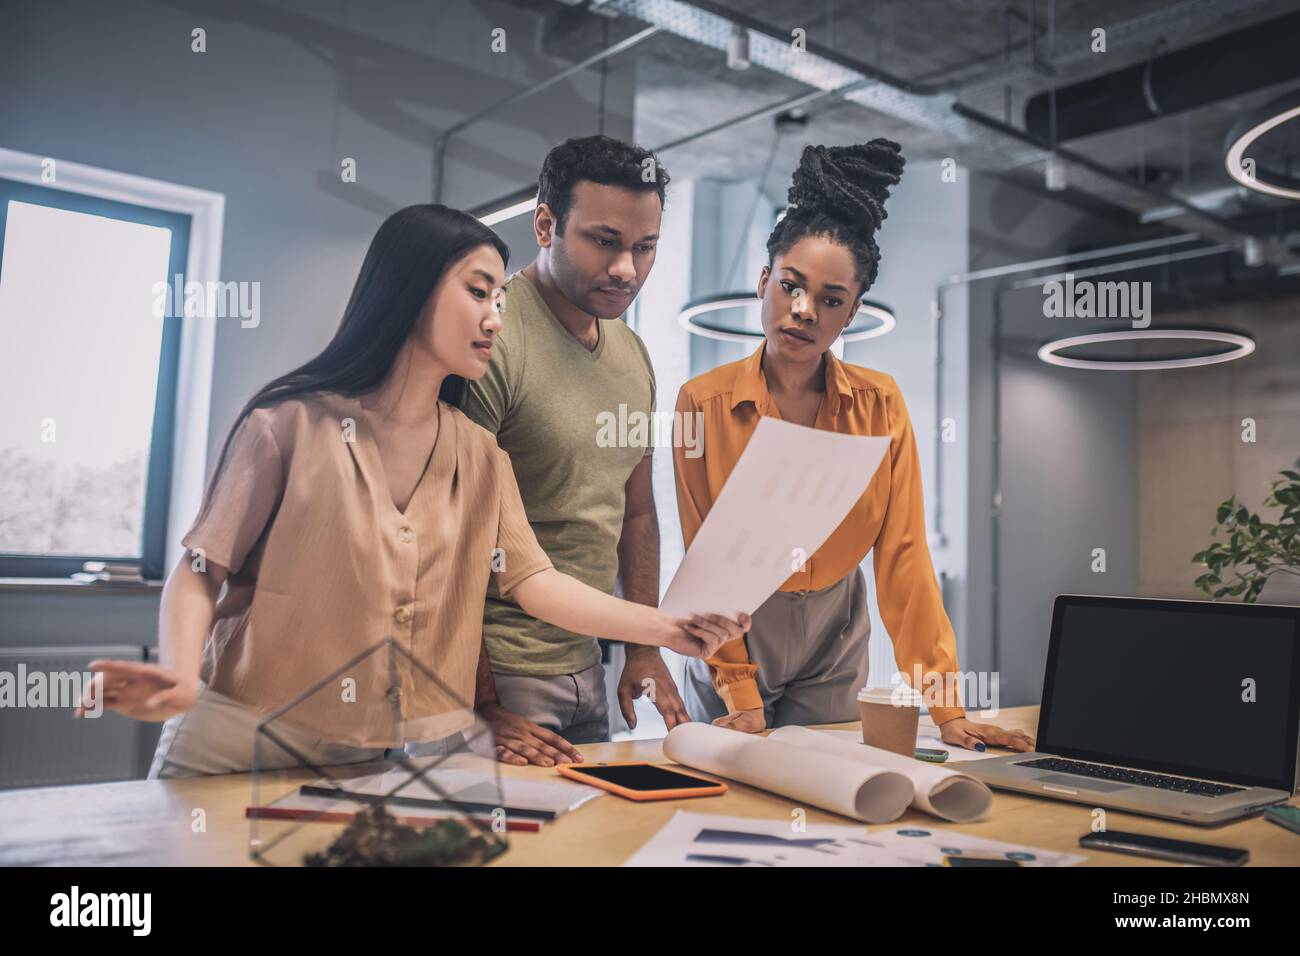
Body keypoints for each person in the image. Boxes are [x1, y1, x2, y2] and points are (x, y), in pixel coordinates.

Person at [76, 203, 746, 776]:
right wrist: (180, 672)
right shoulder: (287, 424)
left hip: (360, 757)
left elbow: (536, 585)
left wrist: (668, 629)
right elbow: (200, 567)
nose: (495, 317)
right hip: (232, 740)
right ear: (412, 289)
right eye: (478, 292)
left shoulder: (479, 454)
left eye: (501, 300)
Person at [672, 141, 1033, 753]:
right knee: (727, 791)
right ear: (764, 282)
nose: (803, 311)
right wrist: (738, 689)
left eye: (831, 300)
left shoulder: (880, 404)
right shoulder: (700, 403)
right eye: (790, 286)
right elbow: (703, 556)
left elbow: (905, 559)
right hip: (732, 627)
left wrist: (945, 708)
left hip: (837, 628)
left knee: (825, 794)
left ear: (852, 312)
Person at [459, 136, 696, 765]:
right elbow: (448, 541)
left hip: (589, 666)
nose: (627, 268)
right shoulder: (490, 339)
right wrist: (479, 704)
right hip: (496, 678)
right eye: (605, 240)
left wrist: (642, 647)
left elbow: (635, 510)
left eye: (644, 247)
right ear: (546, 224)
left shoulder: (632, 355)